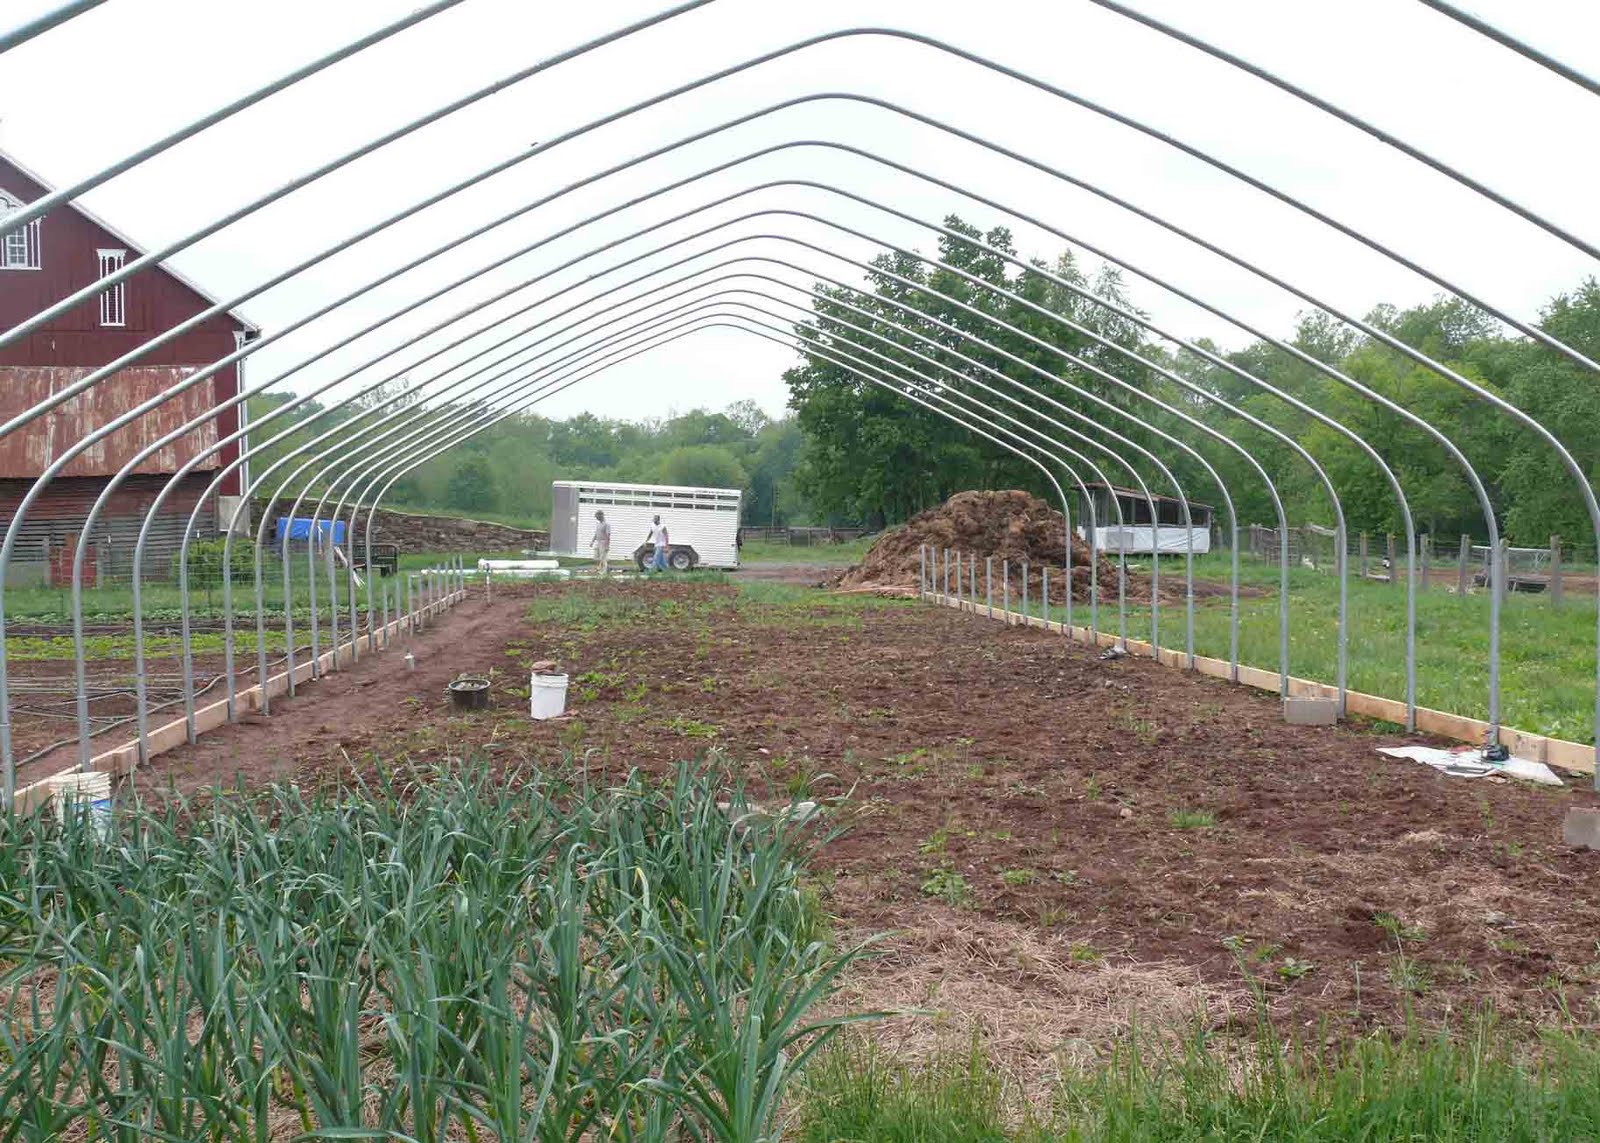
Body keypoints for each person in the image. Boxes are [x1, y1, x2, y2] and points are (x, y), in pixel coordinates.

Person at [588, 510, 611, 575]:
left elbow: (608, 536)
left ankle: (603, 572)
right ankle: (599, 568)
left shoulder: (607, 524)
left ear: (601, 516)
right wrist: (592, 541)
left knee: (603, 558)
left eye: (597, 517)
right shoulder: (598, 524)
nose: (596, 518)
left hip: (603, 542)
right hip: (597, 542)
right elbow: (596, 534)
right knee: (595, 557)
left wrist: (607, 546)